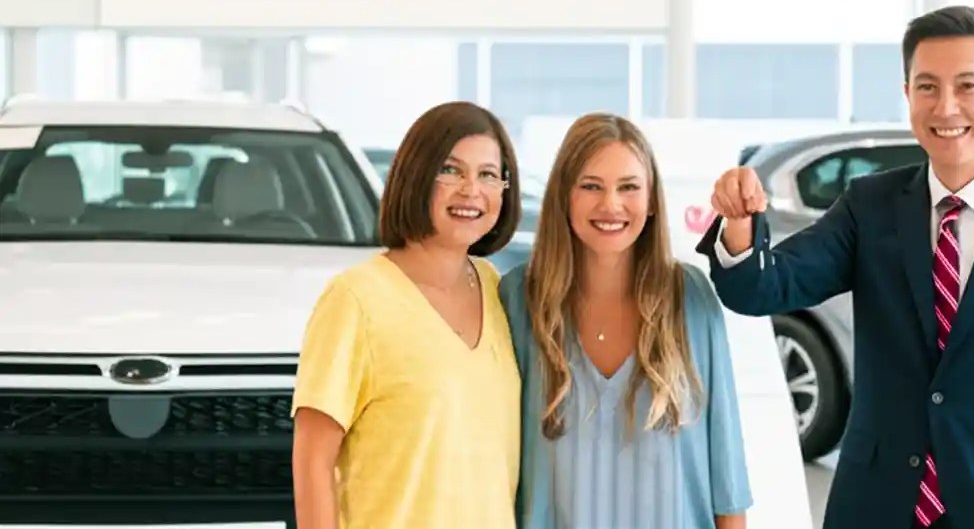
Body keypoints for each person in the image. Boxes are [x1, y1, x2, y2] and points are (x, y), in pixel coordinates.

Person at [697, 6, 974, 529]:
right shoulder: (869, 206)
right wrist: (741, 226)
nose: (946, 105)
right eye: (927, 86)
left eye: (968, 86)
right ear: (908, 94)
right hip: (875, 507)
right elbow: (761, 289)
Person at [500, 112, 753, 529]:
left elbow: (727, 476)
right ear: (564, 195)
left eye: (629, 187)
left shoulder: (689, 297)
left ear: (652, 200)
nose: (611, 204)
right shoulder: (518, 301)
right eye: (590, 186)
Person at [291, 101, 523, 529]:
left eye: (488, 174)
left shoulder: (497, 289)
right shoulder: (355, 299)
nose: (471, 189)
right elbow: (312, 461)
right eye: (450, 170)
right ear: (416, 175)